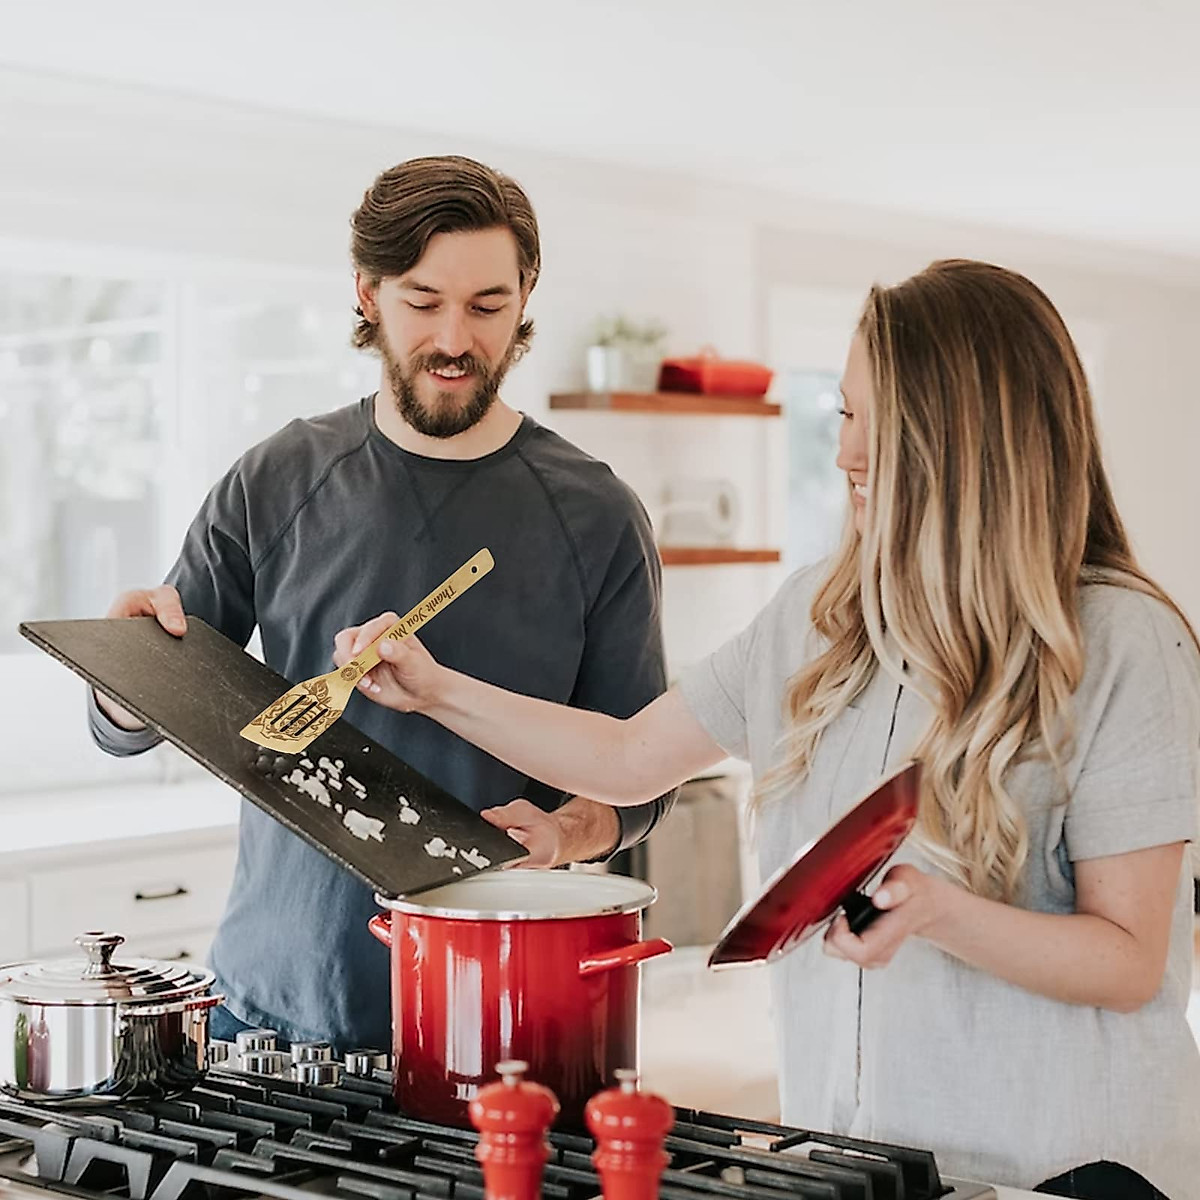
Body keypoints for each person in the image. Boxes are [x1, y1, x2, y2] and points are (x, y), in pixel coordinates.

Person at [334, 259, 1200, 1199]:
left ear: (965, 439)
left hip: (1065, 1169)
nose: (844, 453)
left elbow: (1128, 960)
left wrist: (943, 914)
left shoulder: (1120, 642)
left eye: (872, 421)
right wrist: (435, 689)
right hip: (856, 1160)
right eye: (842, 414)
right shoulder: (817, 619)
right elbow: (628, 758)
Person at [89, 155, 675, 1053]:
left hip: (500, 1013)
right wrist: (120, 678)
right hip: (269, 1009)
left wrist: (566, 831)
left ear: (525, 298)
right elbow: (145, 706)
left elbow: (641, 779)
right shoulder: (276, 478)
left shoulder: (596, 515)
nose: (454, 337)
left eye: (486, 305)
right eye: (422, 300)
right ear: (367, 293)